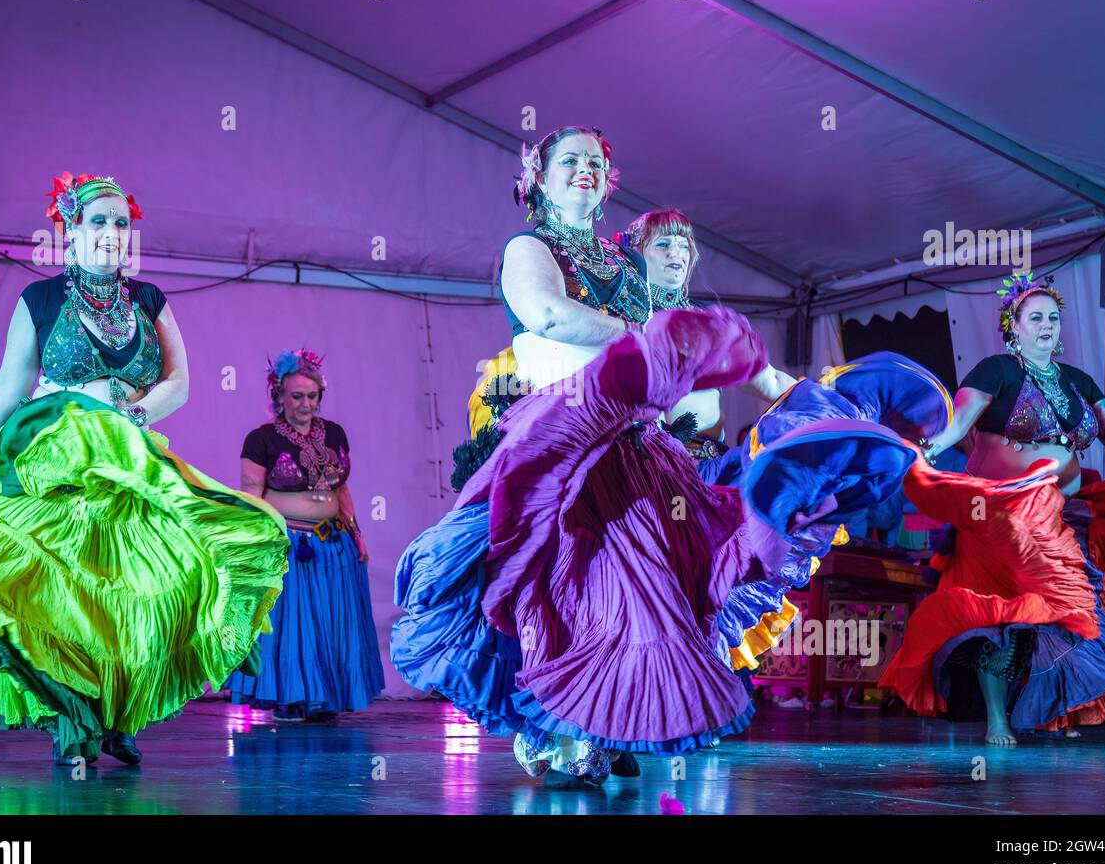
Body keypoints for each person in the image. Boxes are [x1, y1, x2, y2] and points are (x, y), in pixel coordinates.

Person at [393, 126, 937, 788]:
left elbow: (685, 355)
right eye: (569, 161)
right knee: (568, 589)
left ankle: (606, 722)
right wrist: (646, 338)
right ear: (539, 177)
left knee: (646, 593)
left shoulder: (625, 267)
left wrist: (808, 401)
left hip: (641, 448)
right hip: (562, 438)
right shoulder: (528, 247)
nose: (584, 170)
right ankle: (560, 729)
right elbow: (547, 314)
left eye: (595, 161)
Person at [0, 172, 288, 766]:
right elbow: (7, 387)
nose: (112, 233)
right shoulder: (40, 302)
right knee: (64, 596)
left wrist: (136, 415)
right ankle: (71, 722)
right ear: (69, 232)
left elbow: (180, 381)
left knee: (140, 593)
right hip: (55, 457)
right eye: (97, 221)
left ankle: (119, 715)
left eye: (121, 223)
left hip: (127, 459)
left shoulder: (149, 301)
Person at [880, 271, 1105, 744]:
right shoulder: (995, 370)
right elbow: (958, 426)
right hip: (1002, 520)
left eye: (1053, 318)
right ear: (1013, 326)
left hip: (1060, 519)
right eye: (1035, 317)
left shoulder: (1077, 381)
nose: (1047, 325)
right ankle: (998, 719)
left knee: (1063, 611)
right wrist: (924, 452)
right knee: (1009, 618)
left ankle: (1051, 710)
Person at [225, 350, 384, 720]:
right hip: (290, 546)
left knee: (333, 623)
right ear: (279, 396)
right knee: (294, 627)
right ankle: (292, 698)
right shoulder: (260, 439)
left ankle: (326, 698)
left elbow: (343, 489)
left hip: (333, 543)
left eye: (312, 396)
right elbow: (252, 494)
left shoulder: (335, 433)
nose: (305, 404)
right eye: (297, 396)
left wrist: (357, 533)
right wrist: (254, 546)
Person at [621, 207, 796, 485]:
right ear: (635, 254)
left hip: (708, 470)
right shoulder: (616, 319)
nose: (675, 253)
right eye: (663, 244)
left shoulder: (706, 323)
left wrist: (820, 400)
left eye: (683, 246)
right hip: (640, 471)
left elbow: (769, 381)